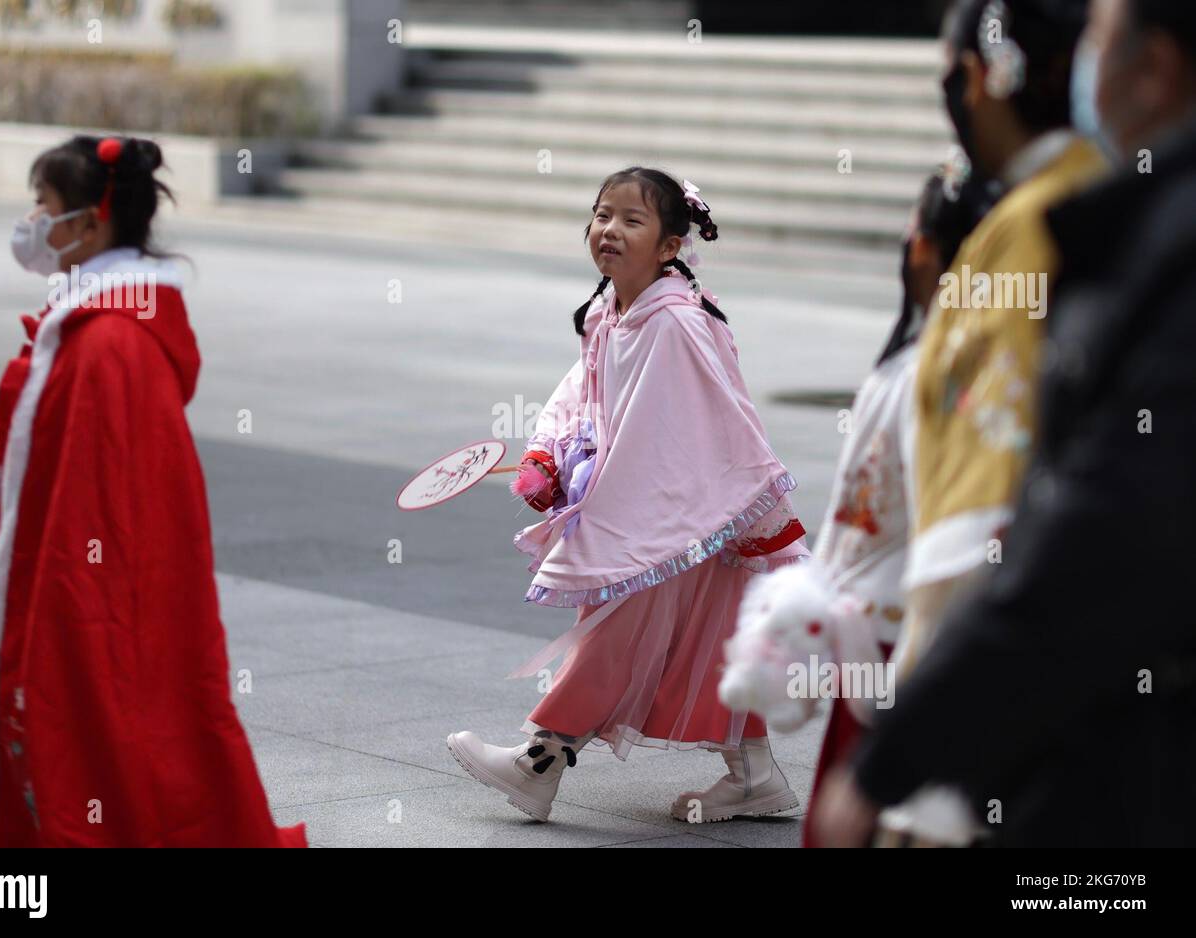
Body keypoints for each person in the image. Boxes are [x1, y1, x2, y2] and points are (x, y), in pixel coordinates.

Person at [815, 0, 1196, 848]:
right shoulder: (1089, 209)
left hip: (1082, 725)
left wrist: (916, 748)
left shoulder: (1041, 226)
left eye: (1103, 37)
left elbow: (1035, 515)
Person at [0, 135, 306, 847]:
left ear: (88, 224)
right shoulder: (98, 326)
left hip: (78, 601)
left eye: (42, 206)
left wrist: (55, 619)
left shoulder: (109, 343)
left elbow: (100, 510)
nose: (31, 222)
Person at [447, 167, 810, 824]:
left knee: (617, 635)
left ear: (671, 245)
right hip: (676, 517)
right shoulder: (611, 312)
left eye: (631, 220)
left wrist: (606, 499)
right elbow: (579, 394)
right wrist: (546, 454)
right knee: (711, 644)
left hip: (683, 516)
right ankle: (755, 775)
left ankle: (539, 763)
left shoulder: (674, 324)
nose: (609, 229)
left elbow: (688, 433)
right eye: (602, 214)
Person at [720, 158, 992, 847]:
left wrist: (789, 643)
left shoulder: (914, 376)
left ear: (925, 250)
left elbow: (858, 533)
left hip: (900, 655)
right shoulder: (1044, 371)